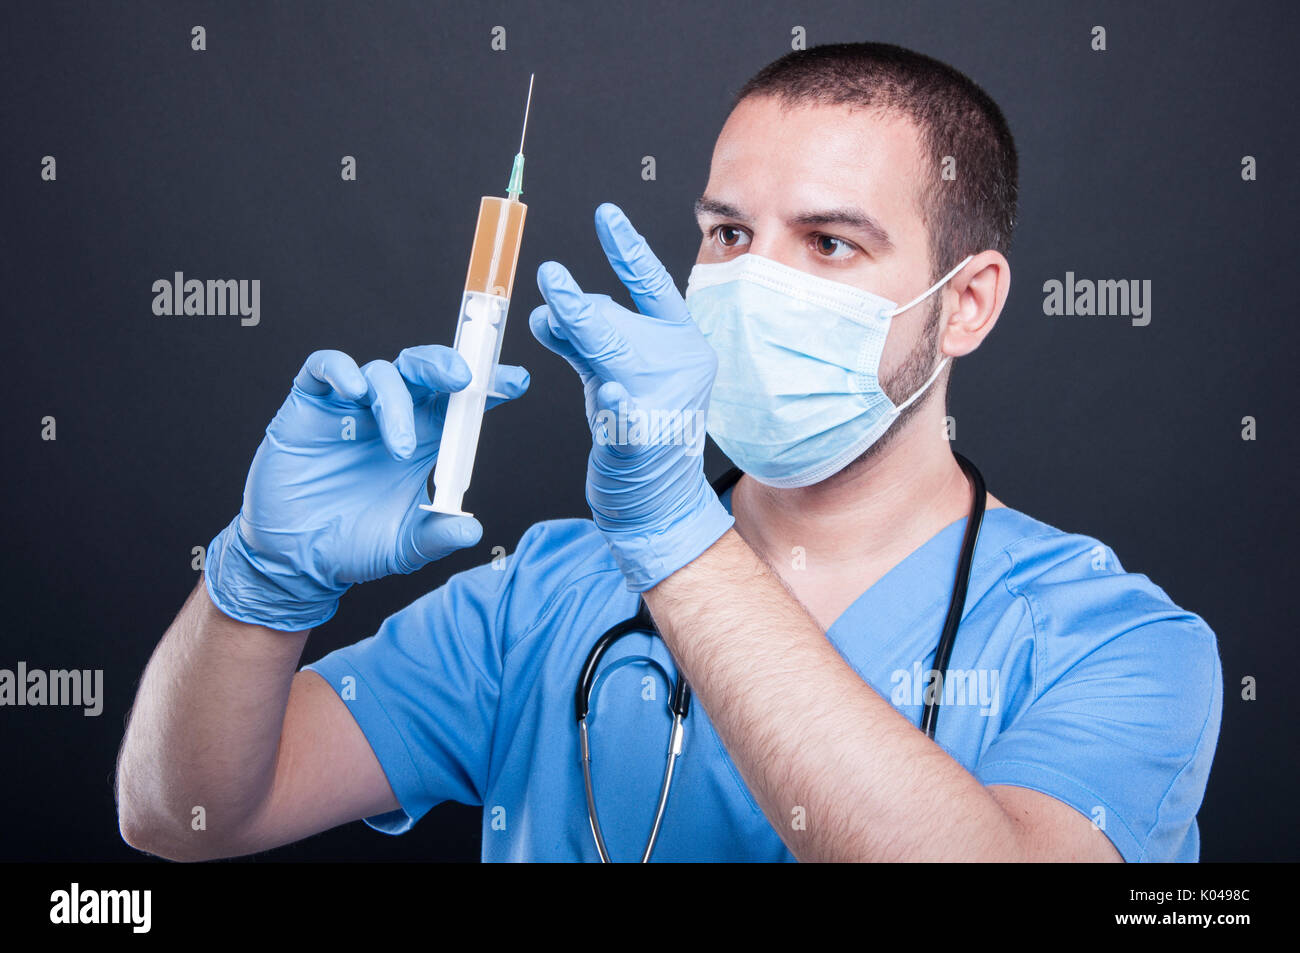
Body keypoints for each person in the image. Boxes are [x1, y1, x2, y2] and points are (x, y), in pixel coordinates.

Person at [115, 42, 1222, 862]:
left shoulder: (1114, 641)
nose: (750, 284)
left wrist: (673, 536)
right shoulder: (540, 593)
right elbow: (184, 813)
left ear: (967, 302)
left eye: (829, 243)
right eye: (729, 235)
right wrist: (259, 580)